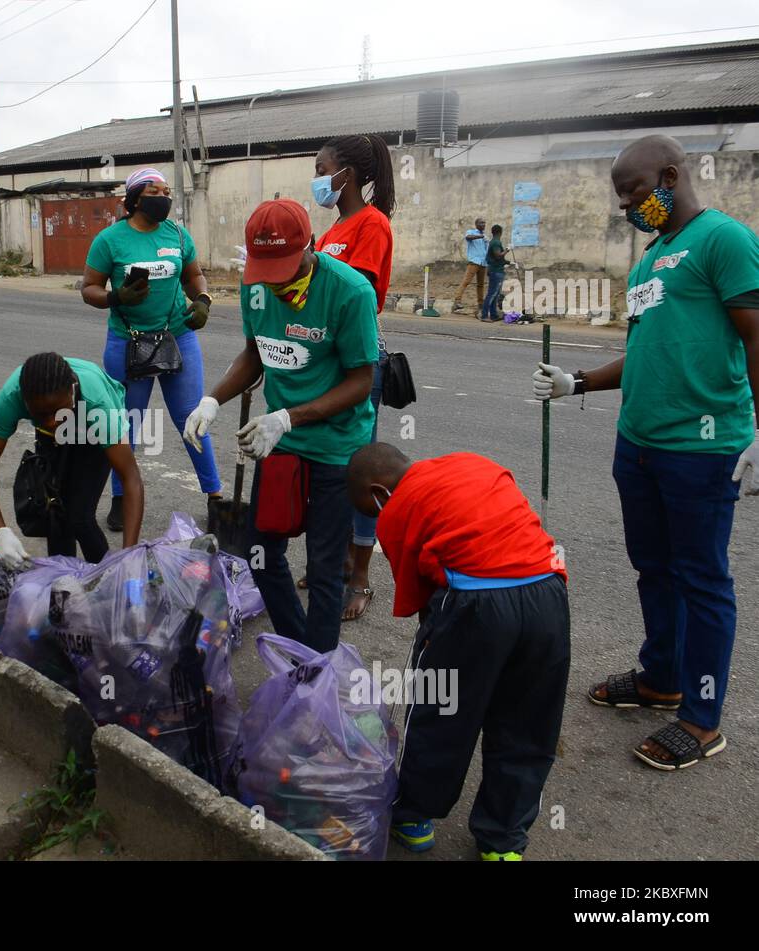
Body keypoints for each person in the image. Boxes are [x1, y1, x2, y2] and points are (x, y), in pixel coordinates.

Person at [533, 133, 759, 772]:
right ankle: (663, 679)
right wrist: (578, 382)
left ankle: (702, 717)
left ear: (669, 174)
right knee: (653, 569)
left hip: (702, 447)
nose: (628, 205)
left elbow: (756, 332)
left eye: (634, 191)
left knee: (703, 579)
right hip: (639, 445)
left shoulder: (724, 240)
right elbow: (648, 353)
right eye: (622, 196)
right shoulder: (649, 259)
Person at [347, 443, 570, 861]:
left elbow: (420, 601)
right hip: (548, 594)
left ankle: (413, 818)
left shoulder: (395, 511)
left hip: (476, 607)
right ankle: (503, 843)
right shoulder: (476, 462)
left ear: (379, 493)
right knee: (529, 725)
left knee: (439, 713)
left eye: (370, 508)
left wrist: (437, 654)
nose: (376, 516)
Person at [185, 199, 377, 654]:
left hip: (334, 445)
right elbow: (256, 351)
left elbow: (361, 381)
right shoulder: (256, 287)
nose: (273, 282)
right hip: (278, 443)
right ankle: (300, 649)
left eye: (284, 268)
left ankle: (319, 670)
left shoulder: (350, 292)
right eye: (264, 269)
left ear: (310, 246)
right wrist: (212, 399)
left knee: (325, 566)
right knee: (261, 551)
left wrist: (289, 418)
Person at [82, 167, 220, 532]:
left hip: (177, 336)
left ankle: (215, 495)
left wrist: (202, 299)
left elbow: (193, 275)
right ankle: (120, 497)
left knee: (193, 418)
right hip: (127, 342)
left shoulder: (176, 233)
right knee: (125, 423)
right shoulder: (110, 240)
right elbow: (88, 288)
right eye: (154, 190)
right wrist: (114, 296)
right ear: (135, 198)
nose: (164, 196)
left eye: (166, 190)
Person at [294, 133, 396, 621]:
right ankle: (327, 564)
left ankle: (359, 577)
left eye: (320, 169)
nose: (315, 178)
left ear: (345, 175)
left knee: (357, 472)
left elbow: (358, 294)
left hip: (354, 358)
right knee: (325, 468)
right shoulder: (338, 225)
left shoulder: (372, 225)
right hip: (323, 356)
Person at [0, 352, 144, 567]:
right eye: (40, 414)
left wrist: (129, 556)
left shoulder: (97, 402)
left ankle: (109, 577)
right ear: (25, 401)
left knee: (79, 516)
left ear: (71, 391)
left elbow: (130, 479)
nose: (51, 422)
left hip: (91, 430)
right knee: (55, 515)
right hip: (49, 439)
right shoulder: (13, 395)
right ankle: (63, 584)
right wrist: (1, 532)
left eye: (57, 411)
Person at [452, 218, 487, 312]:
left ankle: (480, 304)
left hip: (483, 263)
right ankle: (457, 301)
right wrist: (480, 236)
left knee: (480, 285)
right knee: (466, 281)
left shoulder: (485, 236)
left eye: (484, 223)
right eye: (481, 223)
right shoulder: (471, 232)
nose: (483, 224)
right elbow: (468, 238)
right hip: (474, 262)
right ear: (476, 224)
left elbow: (485, 250)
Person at [481, 224, 507, 322]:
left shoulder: (493, 242)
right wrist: (507, 250)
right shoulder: (496, 242)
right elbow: (497, 255)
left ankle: (493, 315)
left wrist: (508, 262)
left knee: (495, 294)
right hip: (496, 271)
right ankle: (484, 315)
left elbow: (496, 258)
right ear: (500, 232)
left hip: (495, 270)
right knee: (492, 294)